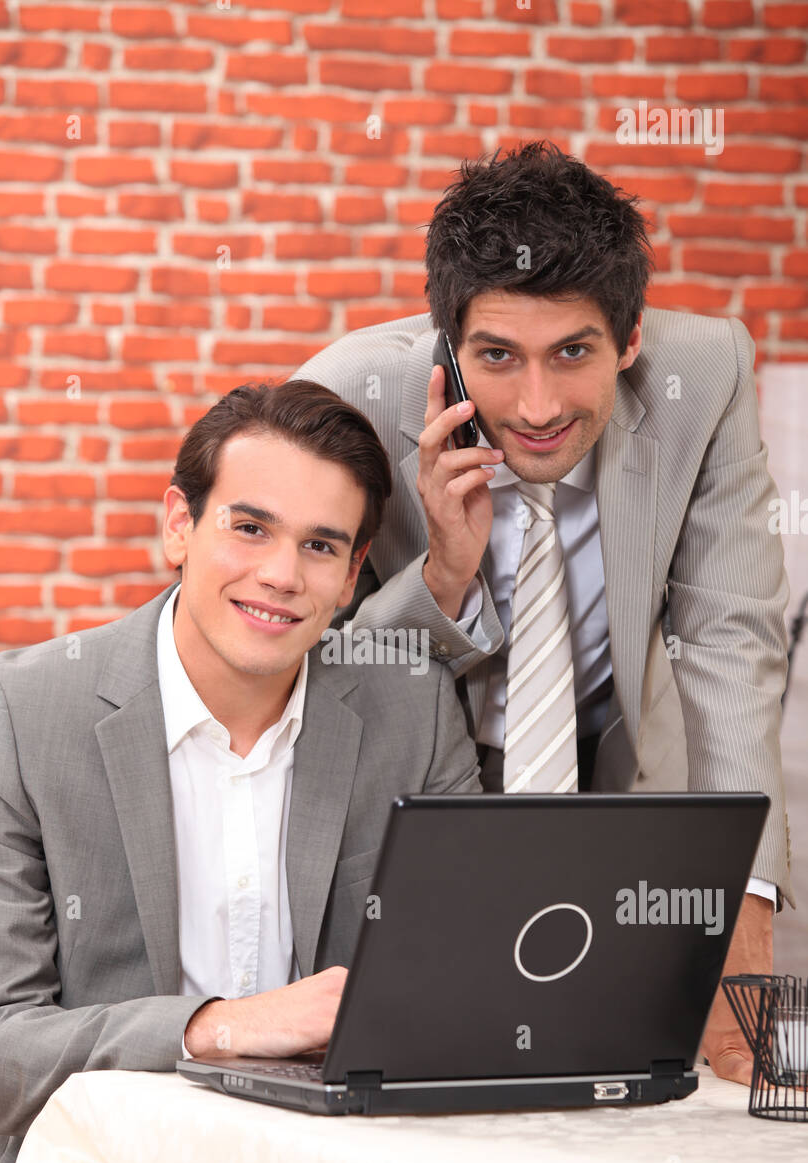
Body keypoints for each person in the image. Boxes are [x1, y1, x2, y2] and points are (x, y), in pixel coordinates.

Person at [0, 379, 481, 1163]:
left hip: (337, 1158)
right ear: (178, 526)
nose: (281, 574)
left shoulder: (415, 715)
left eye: (320, 546)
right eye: (250, 527)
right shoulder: (25, 710)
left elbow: (468, 982)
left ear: (352, 577)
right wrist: (216, 1028)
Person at [289, 139, 793, 1088]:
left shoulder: (707, 376)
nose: (536, 405)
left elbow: (732, 634)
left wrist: (745, 921)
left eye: (573, 353)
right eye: (496, 356)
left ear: (631, 337)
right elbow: (304, 676)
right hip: (405, 823)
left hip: (614, 820)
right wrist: (442, 575)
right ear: (446, 345)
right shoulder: (344, 396)